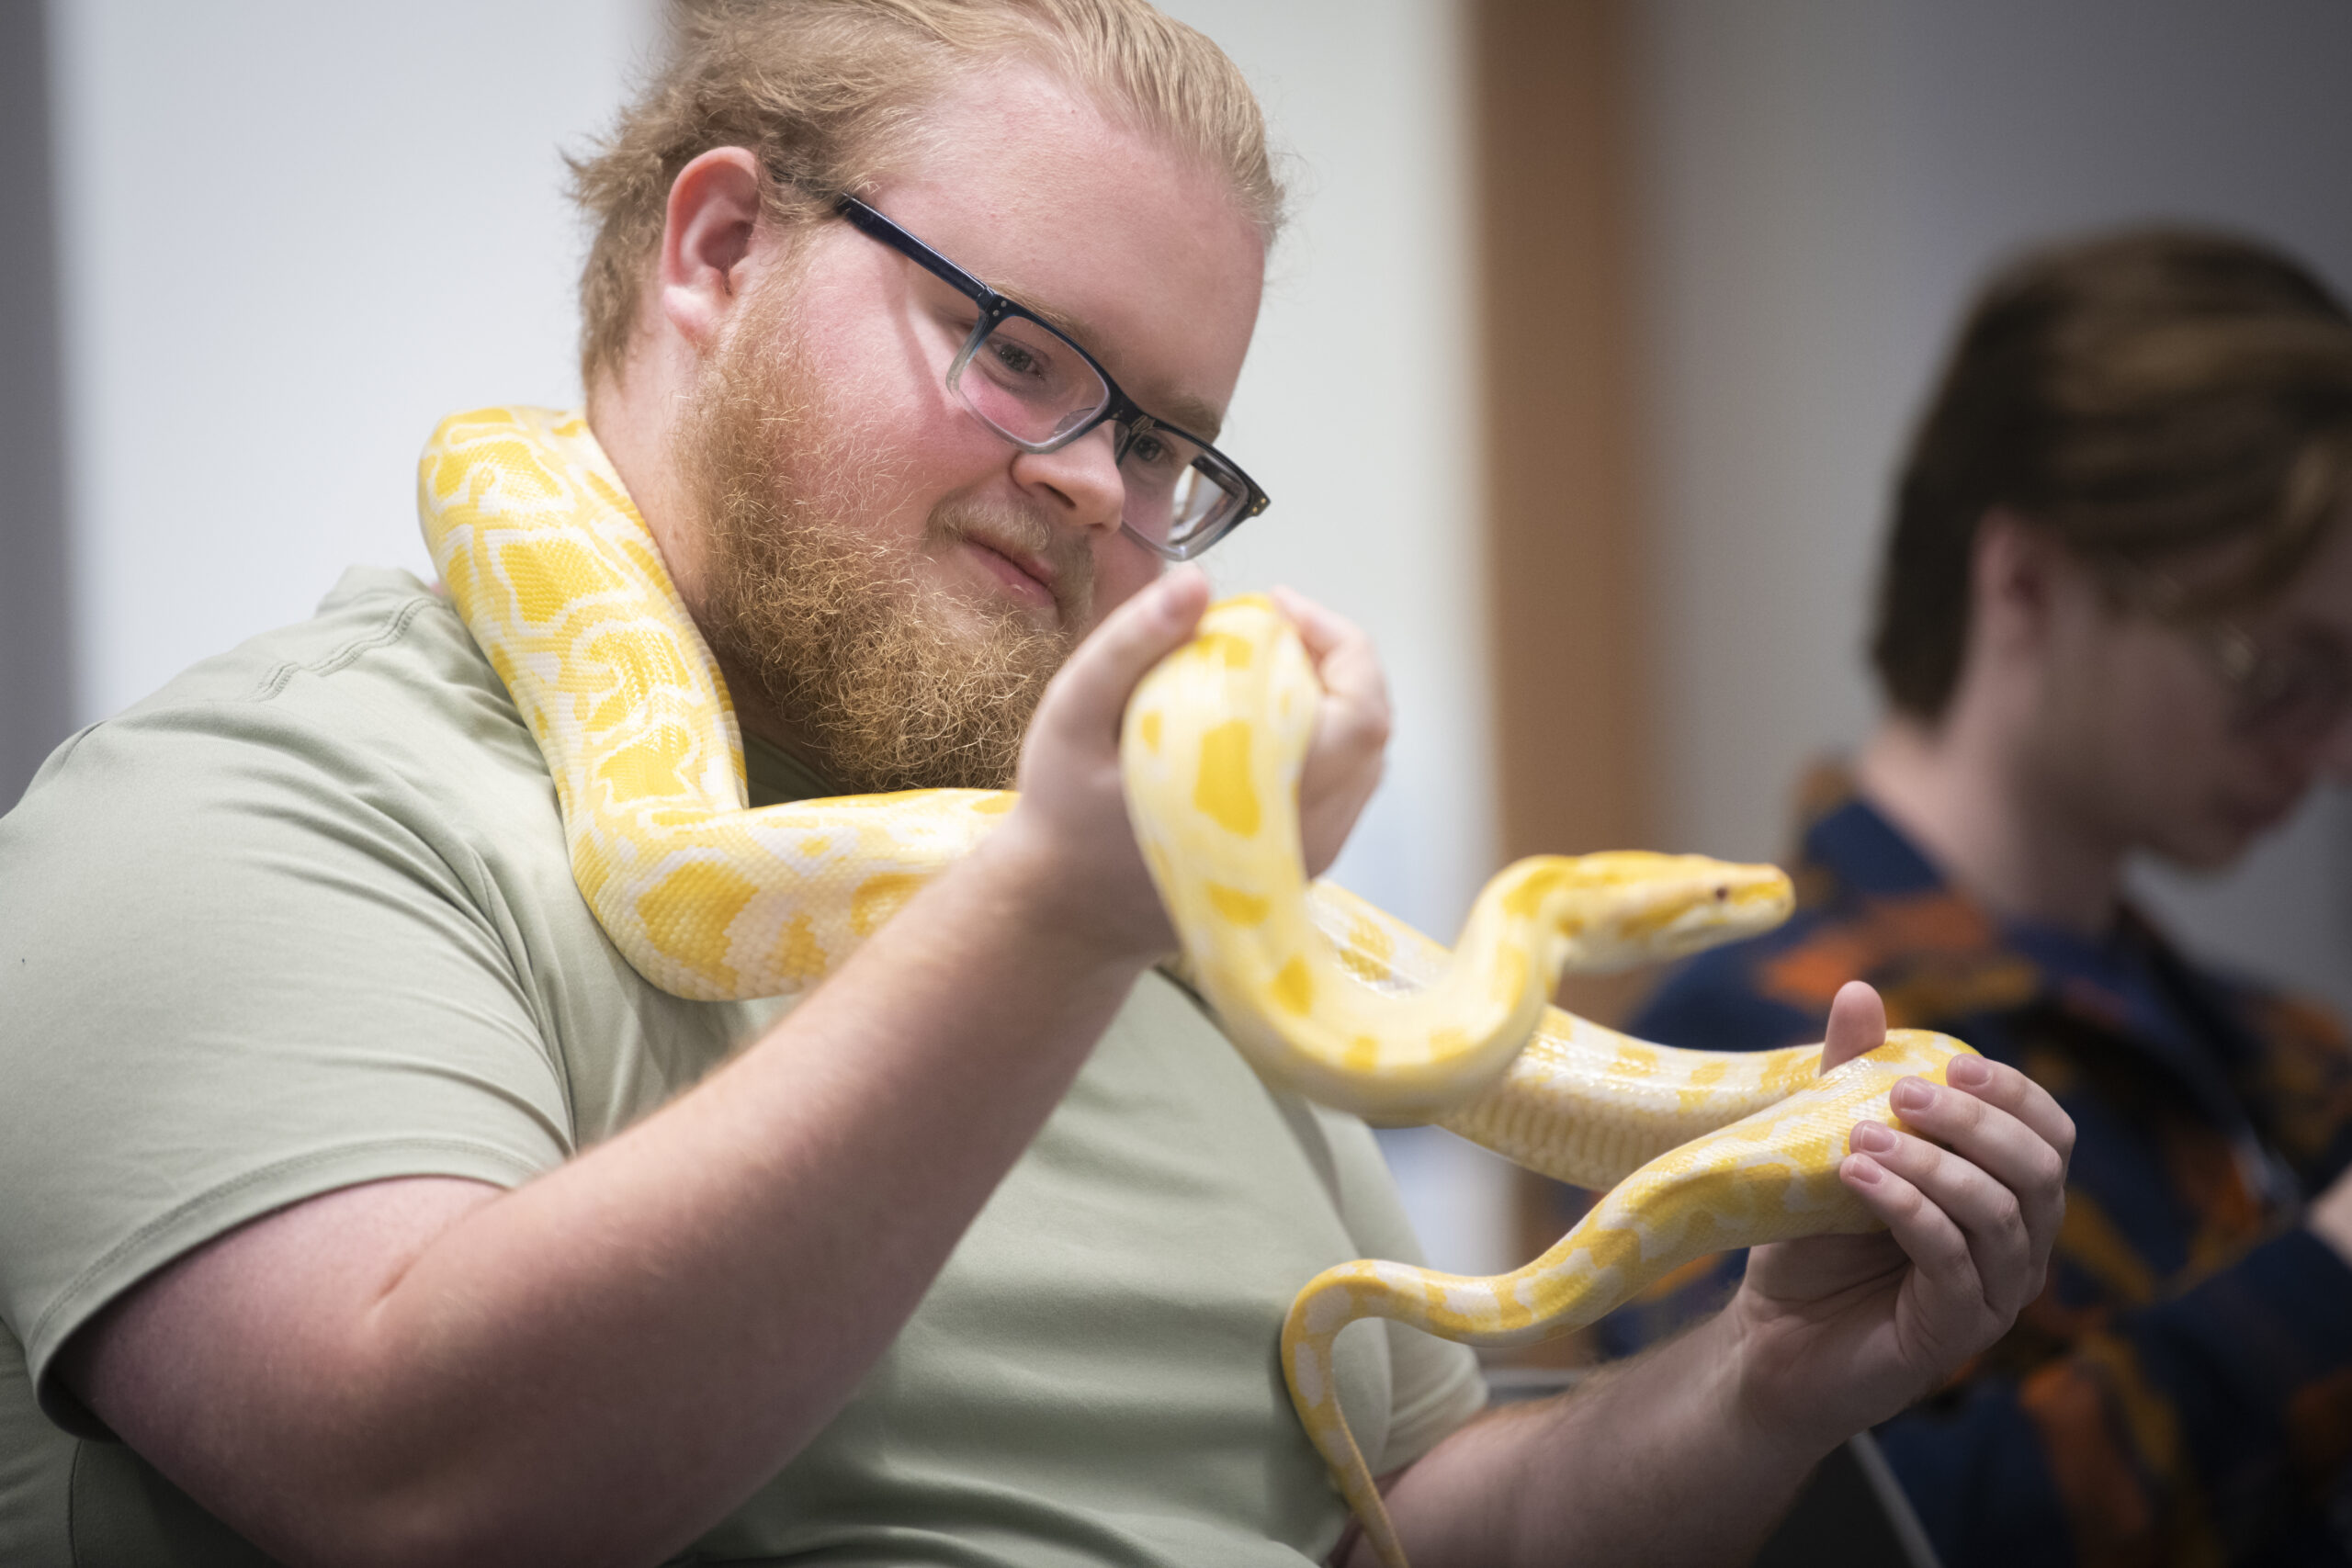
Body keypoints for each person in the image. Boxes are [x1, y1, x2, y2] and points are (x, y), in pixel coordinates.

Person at [0, 4, 2071, 1564]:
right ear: (714, 250)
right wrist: (1059, 907)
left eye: (1167, 441)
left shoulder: (1157, 897)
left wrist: (1760, 1386)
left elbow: (1426, 1515)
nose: (1097, 481)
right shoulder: (255, 808)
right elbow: (413, 1491)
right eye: (1013, 347)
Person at [1612, 228, 2352, 1567]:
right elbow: (1824, 1541)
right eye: (2276, 669)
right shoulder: (1734, 1038)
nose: (2338, 750)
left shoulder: (2288, 1056)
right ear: (2025, 581)